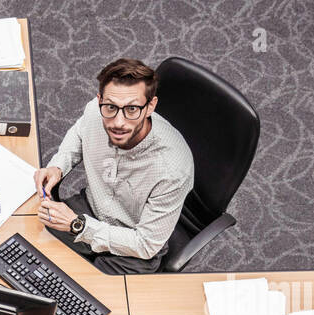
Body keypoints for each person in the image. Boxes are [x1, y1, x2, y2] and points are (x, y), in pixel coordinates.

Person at [33, 58, 194, 275]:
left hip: (133, 243)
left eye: (132, 109)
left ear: (151, 106)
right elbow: (80, 132)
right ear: (100, 99)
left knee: (93, 296)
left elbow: (146, 245)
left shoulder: (173, 169)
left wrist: (78, 225)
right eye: (110, 107)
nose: (118, 122)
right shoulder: (95, 111)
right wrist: (57, 167)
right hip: (91, 208)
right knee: (32, 252)